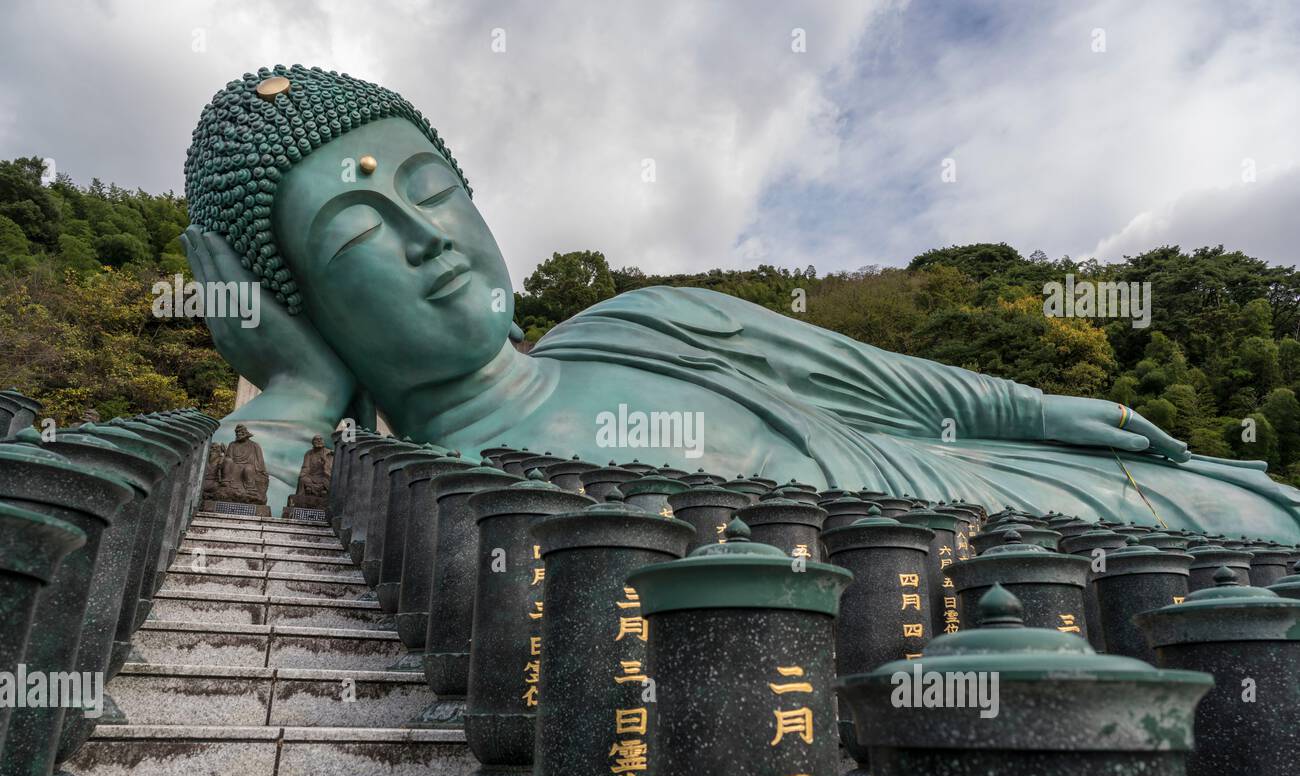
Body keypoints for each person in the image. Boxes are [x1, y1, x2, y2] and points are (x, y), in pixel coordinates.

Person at [181, 65, 1299, 537]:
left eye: (436, 192)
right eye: (364, 232)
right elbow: (227, 543)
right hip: (857, 640)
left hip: (1013, 503)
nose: (429, 238)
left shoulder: (648, 321)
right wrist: (295, 390)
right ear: (300, 305)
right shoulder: (392, 490)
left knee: (1251, 516)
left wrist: (1041, 408)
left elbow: (887, 384)